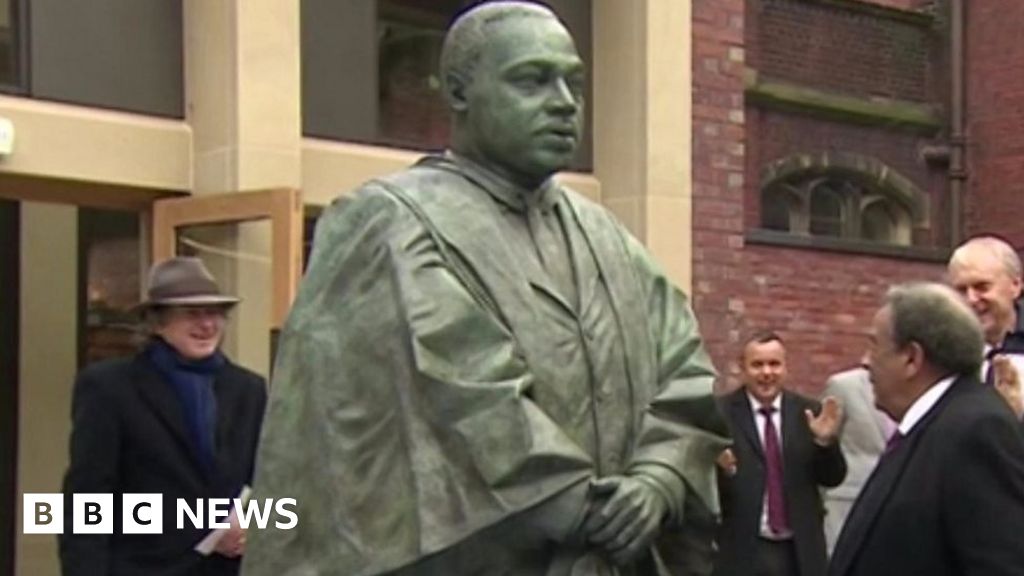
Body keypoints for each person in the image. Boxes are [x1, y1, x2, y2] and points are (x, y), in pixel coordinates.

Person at [242, 2, 730, 575]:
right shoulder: (387, 222)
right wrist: (586, 507)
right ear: (457, 91)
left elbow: (684, 369)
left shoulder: (606, 235)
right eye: (531, 80)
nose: (564, 102)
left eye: (573, 82)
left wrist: (659, 479)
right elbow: (456, 391)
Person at [59, 257, 268, 576]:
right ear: (157, 323)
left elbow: (265, 479)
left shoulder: (248, 389)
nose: (207, 325)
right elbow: (88, 499)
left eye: (214, 314)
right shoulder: (110, 388)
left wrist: (252, 524)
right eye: (191, 314)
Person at [829, 282, 1024, 576]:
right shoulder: (928, 425)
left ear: (912, 358)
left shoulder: (976, 431)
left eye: (875, 345)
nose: (865, 362)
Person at [713, 332, 846, 576]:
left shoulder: (809, 413)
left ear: (786, 368)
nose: (766, 372)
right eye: (757, 365)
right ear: (742, 368)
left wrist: (824, 442)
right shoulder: (720, 415)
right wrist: (722, 469)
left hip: (799, 553)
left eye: (774, 364)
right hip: (743, 552)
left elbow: (833, 477)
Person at [947, 235, 1024, 417]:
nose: (971, 299)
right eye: (961, 290)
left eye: (982, 287)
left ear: (1016, 285)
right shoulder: (944, 351)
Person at [819, 366, 893, 555]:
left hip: (896, 504)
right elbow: (825, 442)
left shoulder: (920, 391)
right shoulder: (844, 385)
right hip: (847, 501)